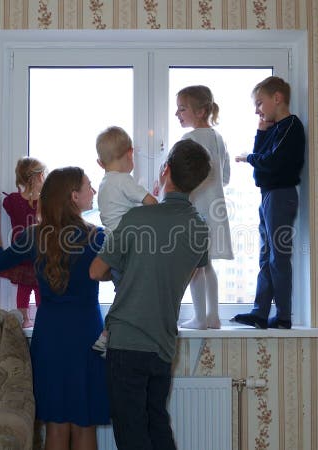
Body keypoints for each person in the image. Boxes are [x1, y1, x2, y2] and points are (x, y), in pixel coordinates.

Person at [89, 139, 211, 450]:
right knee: (156, 423)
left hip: (128, 342)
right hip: (163, 346)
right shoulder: (199, 229)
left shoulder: (136, 219)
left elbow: (96, 271)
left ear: (165, 170)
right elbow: (188, 269)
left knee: (132, 434)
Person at [0, 167, 109, 450]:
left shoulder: (34, 236)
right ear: (74, 197)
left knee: (56, 425)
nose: (94, 191)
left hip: (50, 337)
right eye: (89, 186)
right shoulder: (98, 237)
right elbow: (124, 275)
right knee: (84, 424)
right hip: (87, 335)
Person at [231, 75, 305, 330]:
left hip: (281, 195)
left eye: (260, 103)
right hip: (268, 195)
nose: (257, 110)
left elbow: (269, 162)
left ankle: (283, 316)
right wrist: (260, 134)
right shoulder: (274, 129)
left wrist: (250, 158)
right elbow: (261, 169)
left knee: (278, 257)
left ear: (277, 98)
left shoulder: (291, 126)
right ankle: (260, 312)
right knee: (266, 256)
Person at [91, 125, 158, 355]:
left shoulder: (105, 183)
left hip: (111, 247)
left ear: (101, 163)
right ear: (130, 153)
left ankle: (108, 334)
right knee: (131, 295)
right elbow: (152, 204)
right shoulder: (124, 180)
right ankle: (111, 334)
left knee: (124, 294)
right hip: (128, 248)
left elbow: (123, 210)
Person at [175, 85, 234, 330]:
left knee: (195, 265)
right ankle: (213, 316)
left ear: (200, 112)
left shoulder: (188, 140)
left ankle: (200, 318)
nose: (177, 114)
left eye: (182, 109)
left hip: (196, 211)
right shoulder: (218, 138)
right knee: (207, 265)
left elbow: (178, 176)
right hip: (216, 210)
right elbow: (226, 177)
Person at [0, 157, 45, 327]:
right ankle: (41, 317)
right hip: (39, 253)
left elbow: (7, 204)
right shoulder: (43, 202)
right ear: (40, 177)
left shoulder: (12, 200)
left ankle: (24, 319)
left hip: (20, 252)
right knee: (40, 287)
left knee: (23, 289)